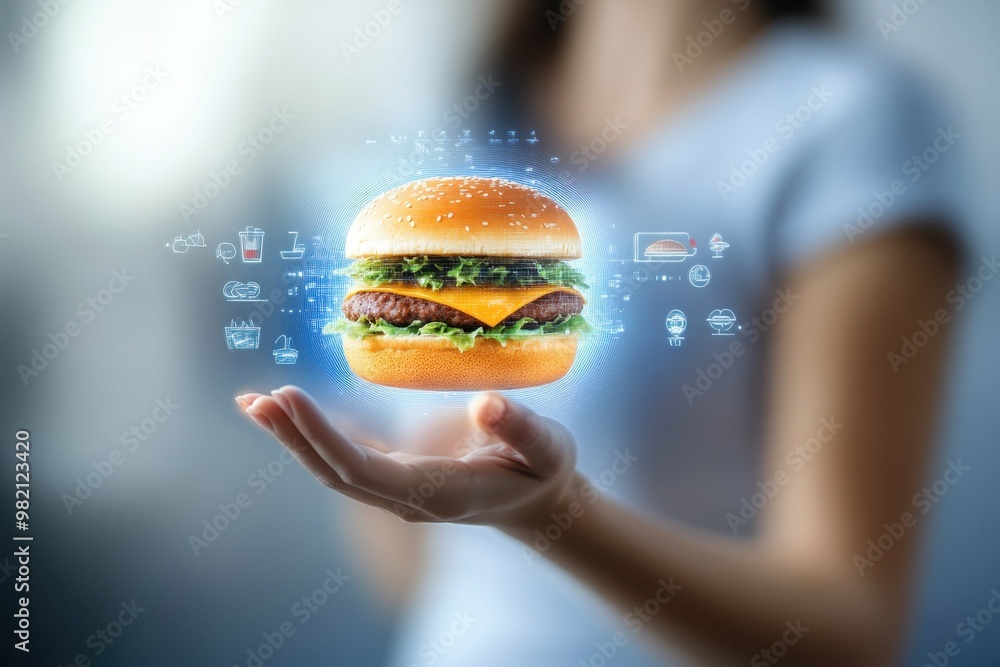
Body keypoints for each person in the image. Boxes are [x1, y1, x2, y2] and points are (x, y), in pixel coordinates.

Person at [237, 0, 964, 664]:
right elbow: (419, 586)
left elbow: (850, 633)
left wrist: (556, 515)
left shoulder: (851, 118)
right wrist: (380, 472)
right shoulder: (460, 119)